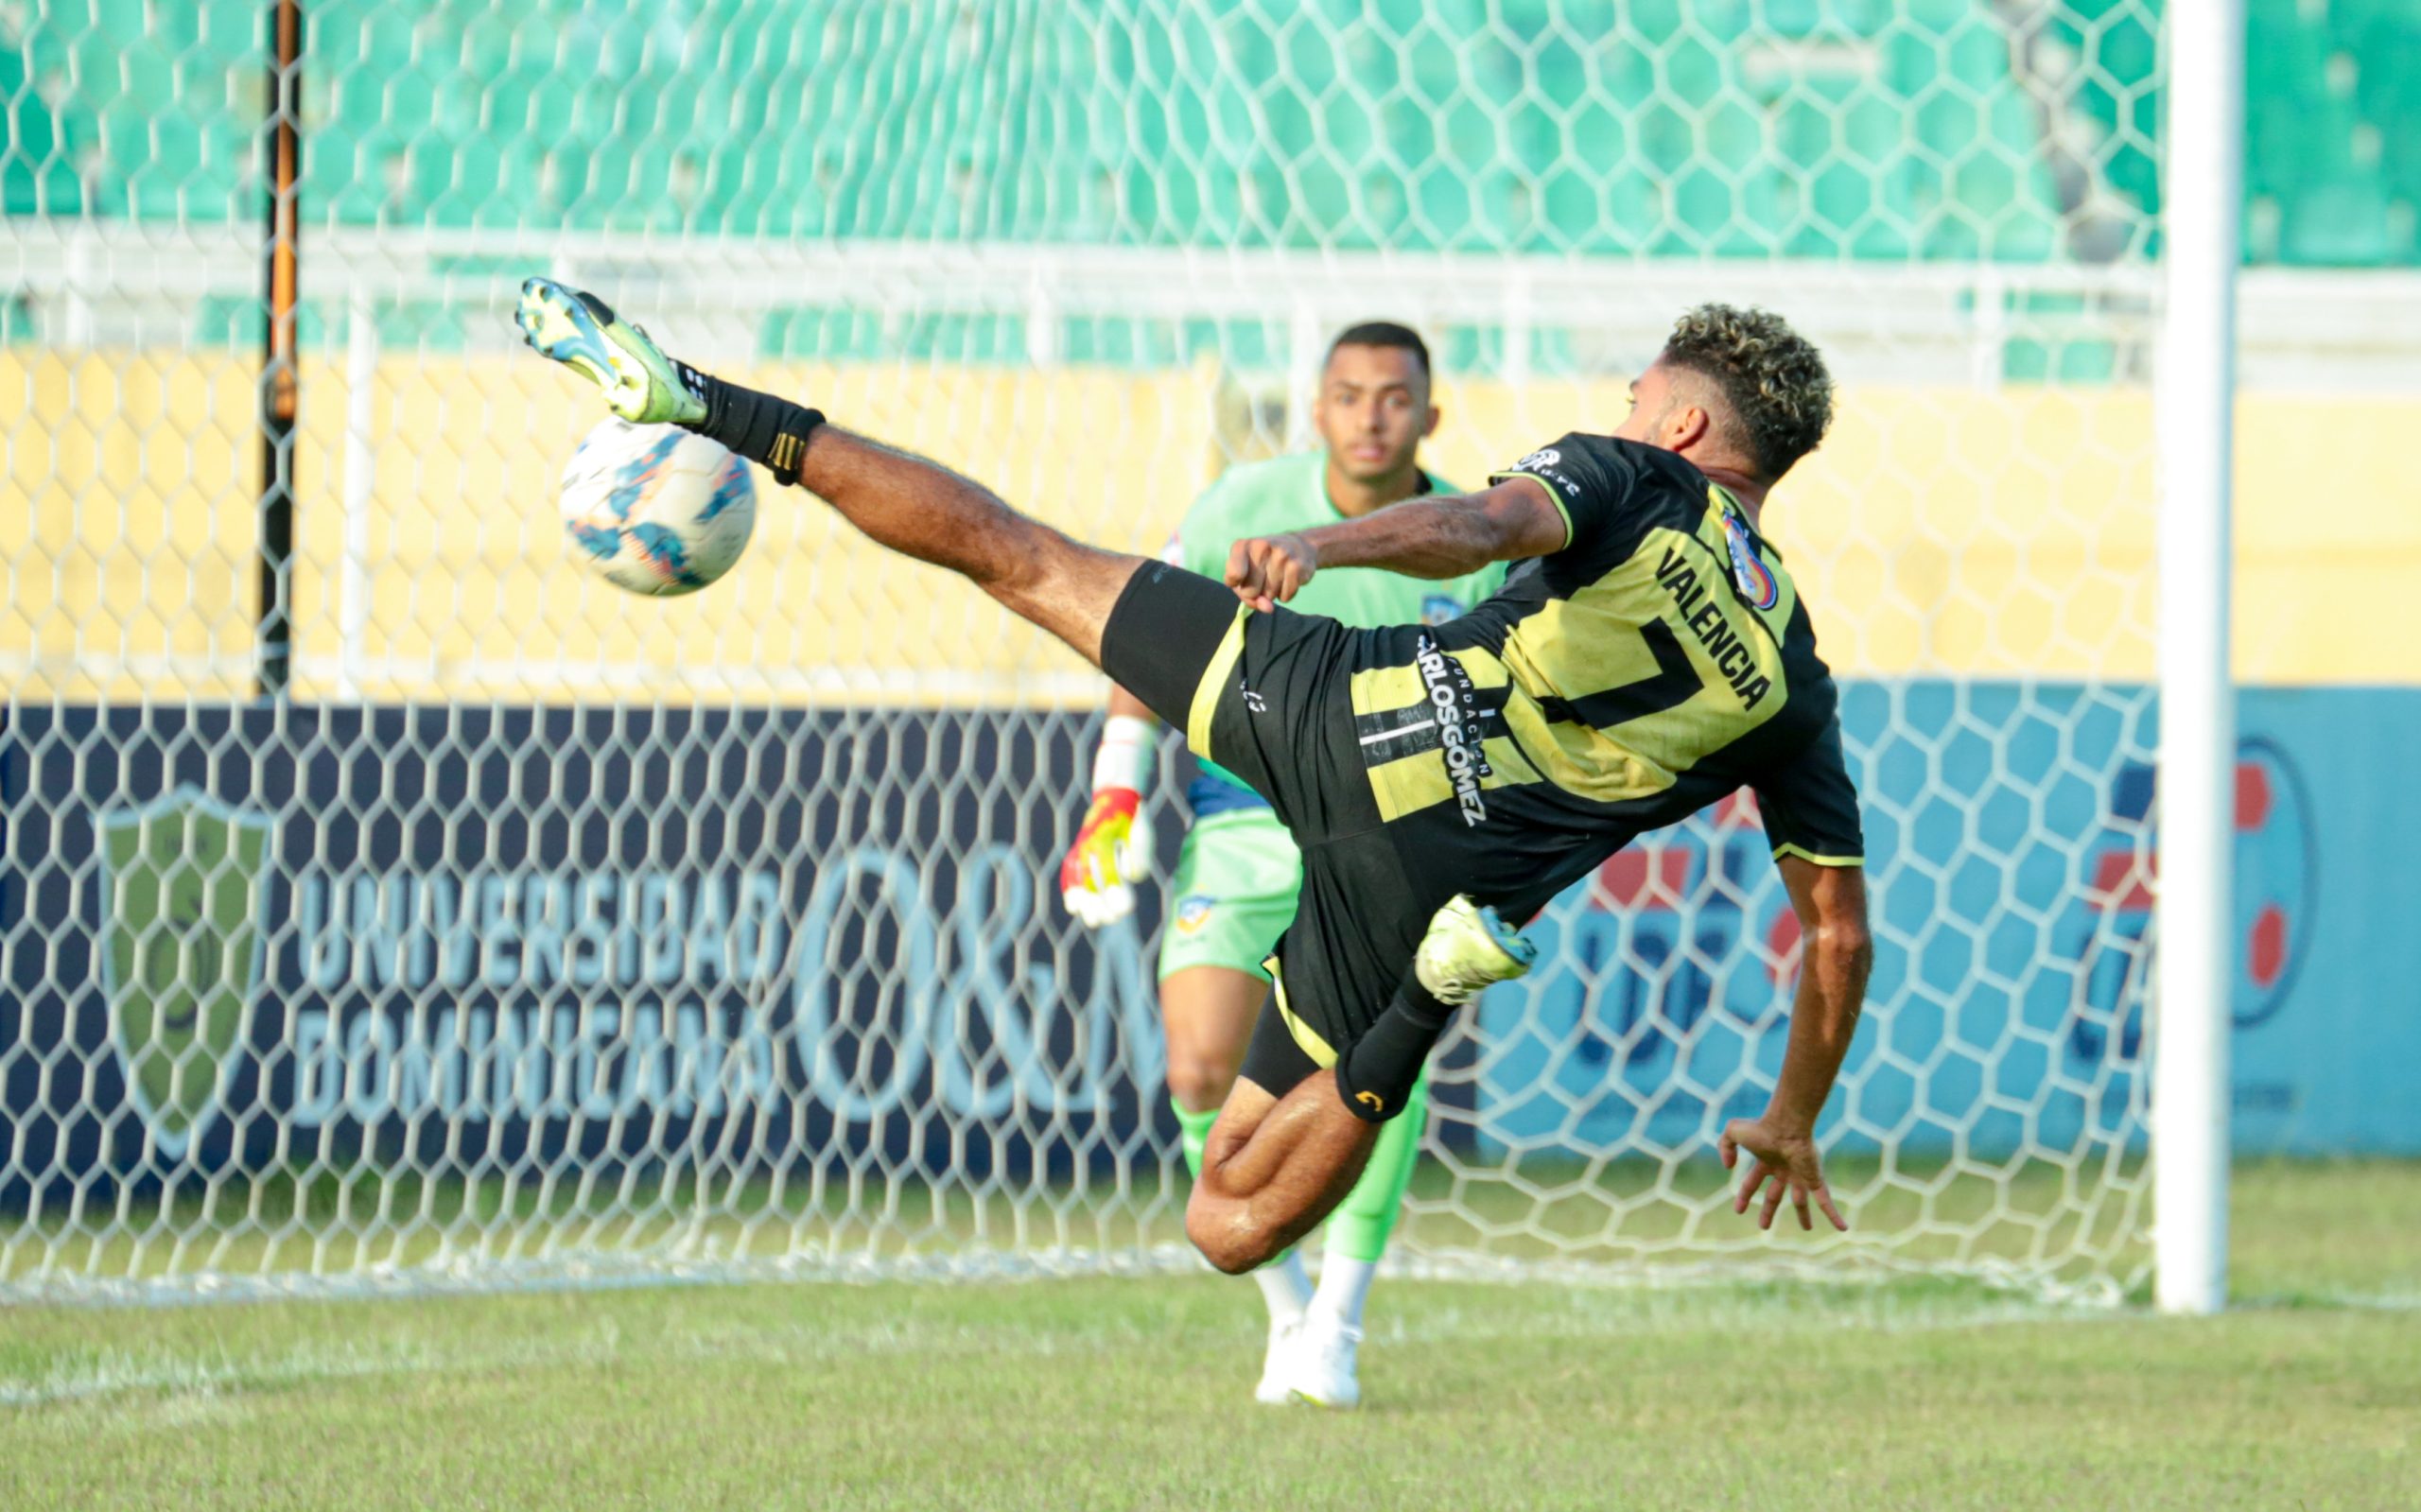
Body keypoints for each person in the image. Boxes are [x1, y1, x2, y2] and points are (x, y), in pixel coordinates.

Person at [515, 281, 1874, 1334]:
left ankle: (697, 399)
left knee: (1021, 556)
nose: (1627, 408)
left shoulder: (1635, 475)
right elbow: (1834, 938)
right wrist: (1793, 1113)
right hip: (1430, 894)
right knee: (1228, 1219)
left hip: (1339, 703)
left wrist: (1327, 544)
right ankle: (1427, 1005)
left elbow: (1481, 524)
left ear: (1687, 426)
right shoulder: (1796, 683)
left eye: (1640, 396)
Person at [1058, 321, 1503, 1408]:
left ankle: (1339, 1325)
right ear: (1316, 410)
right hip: (1248, 826)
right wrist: (1115, 796)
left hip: (1394, 847)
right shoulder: (1241, 508)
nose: (1369, 416)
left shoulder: (1472, 541)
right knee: (1199, 1070)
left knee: (1371, 1086)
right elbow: (1140, 638)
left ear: (1428, 416)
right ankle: (1288, 1309)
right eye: (1347, 394)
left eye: (1392, 397)